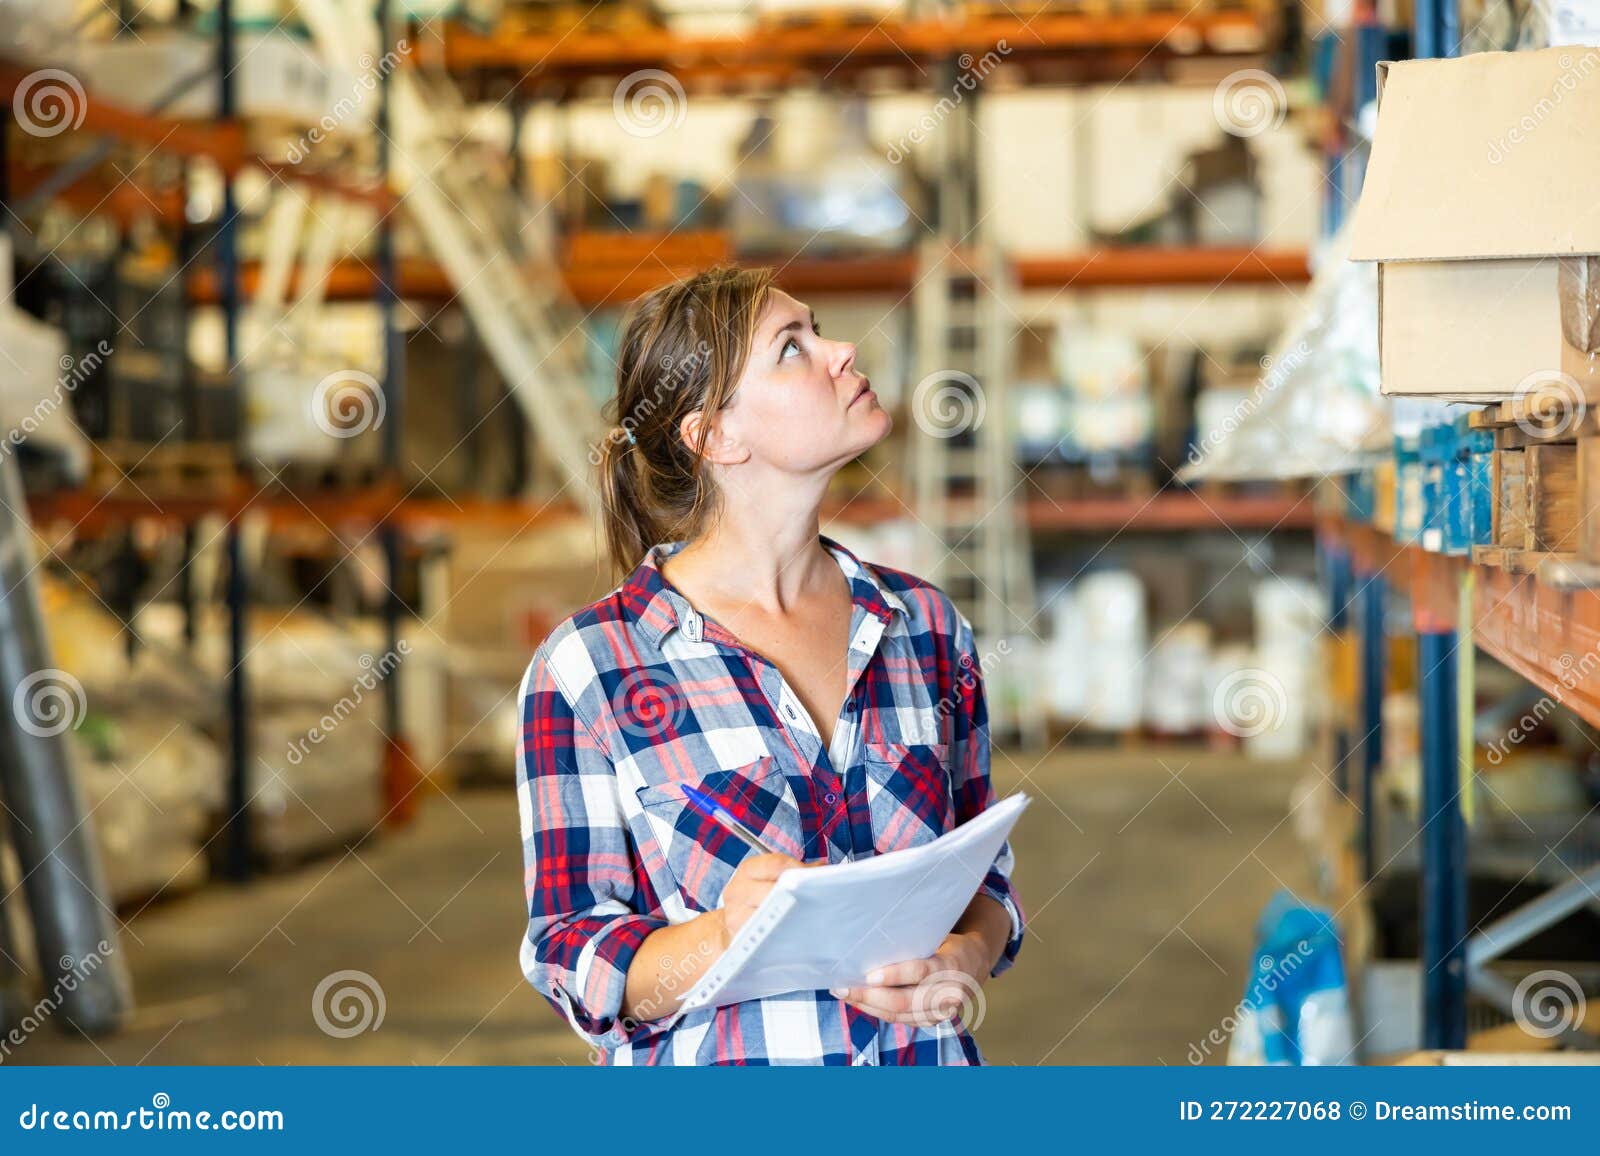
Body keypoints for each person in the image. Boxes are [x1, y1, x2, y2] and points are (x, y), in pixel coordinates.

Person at [514, 264, 1024, 1066]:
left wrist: (965, 958)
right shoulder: (590, 668)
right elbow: (575, 956)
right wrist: (722, 936)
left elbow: (986, 881)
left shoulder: (925, 628)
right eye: (793, 347)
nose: (842, 350)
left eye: (817, 330)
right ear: (716, 436)